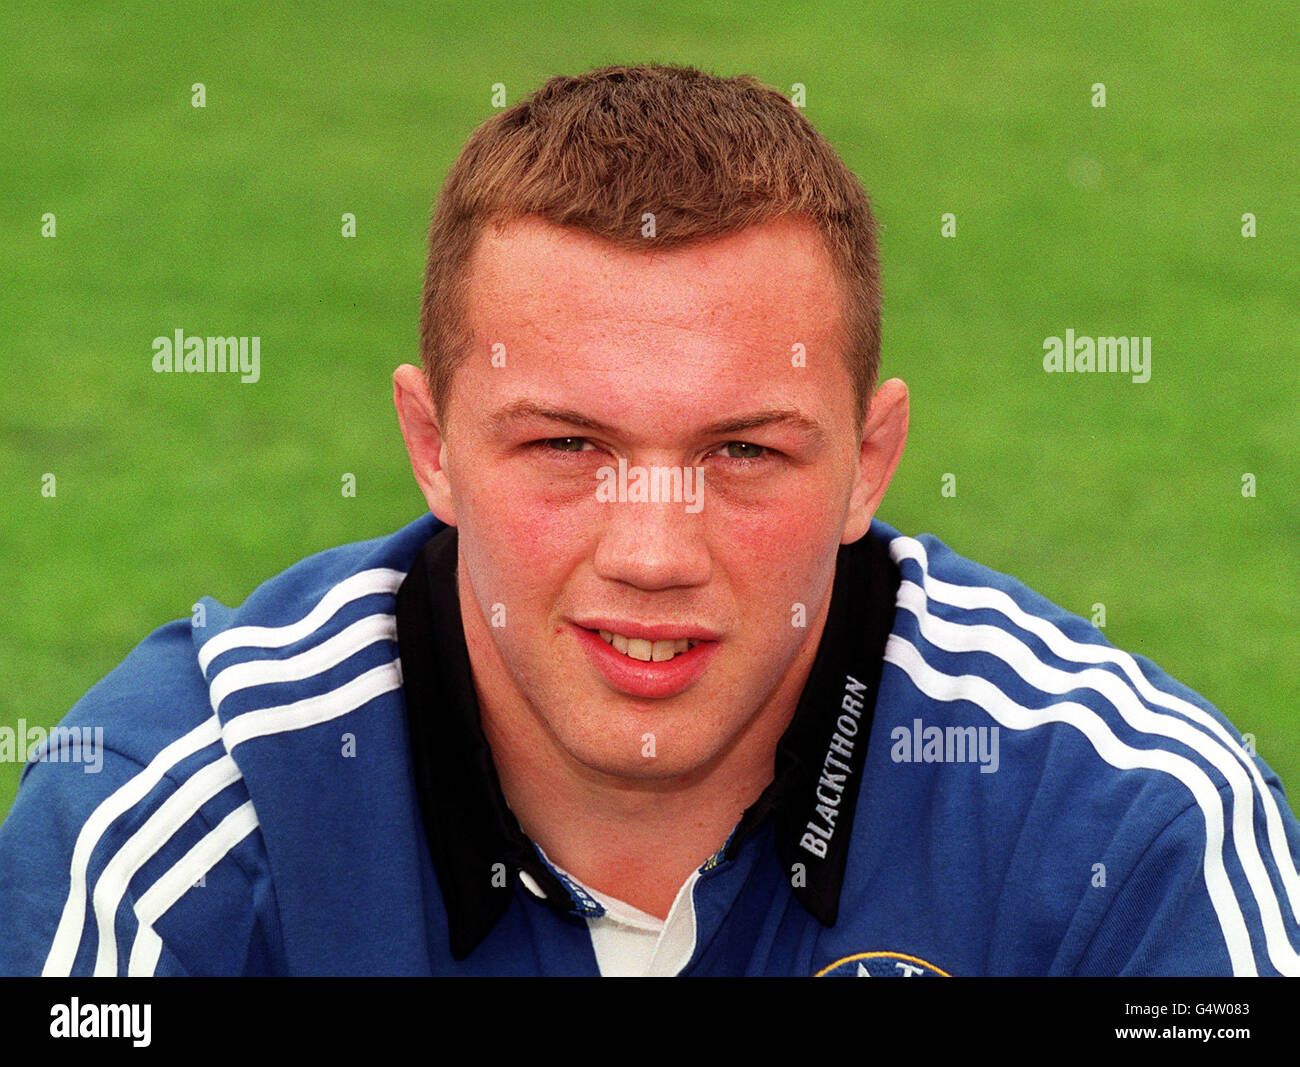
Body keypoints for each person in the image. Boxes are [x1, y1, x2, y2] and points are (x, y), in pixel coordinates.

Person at [2, 63, 1296, 977]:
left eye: (743, 451)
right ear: (431, 446)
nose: (655, 553)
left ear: (870, 460)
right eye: (567, 445)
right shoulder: (186, 812)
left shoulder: (1134, 828)